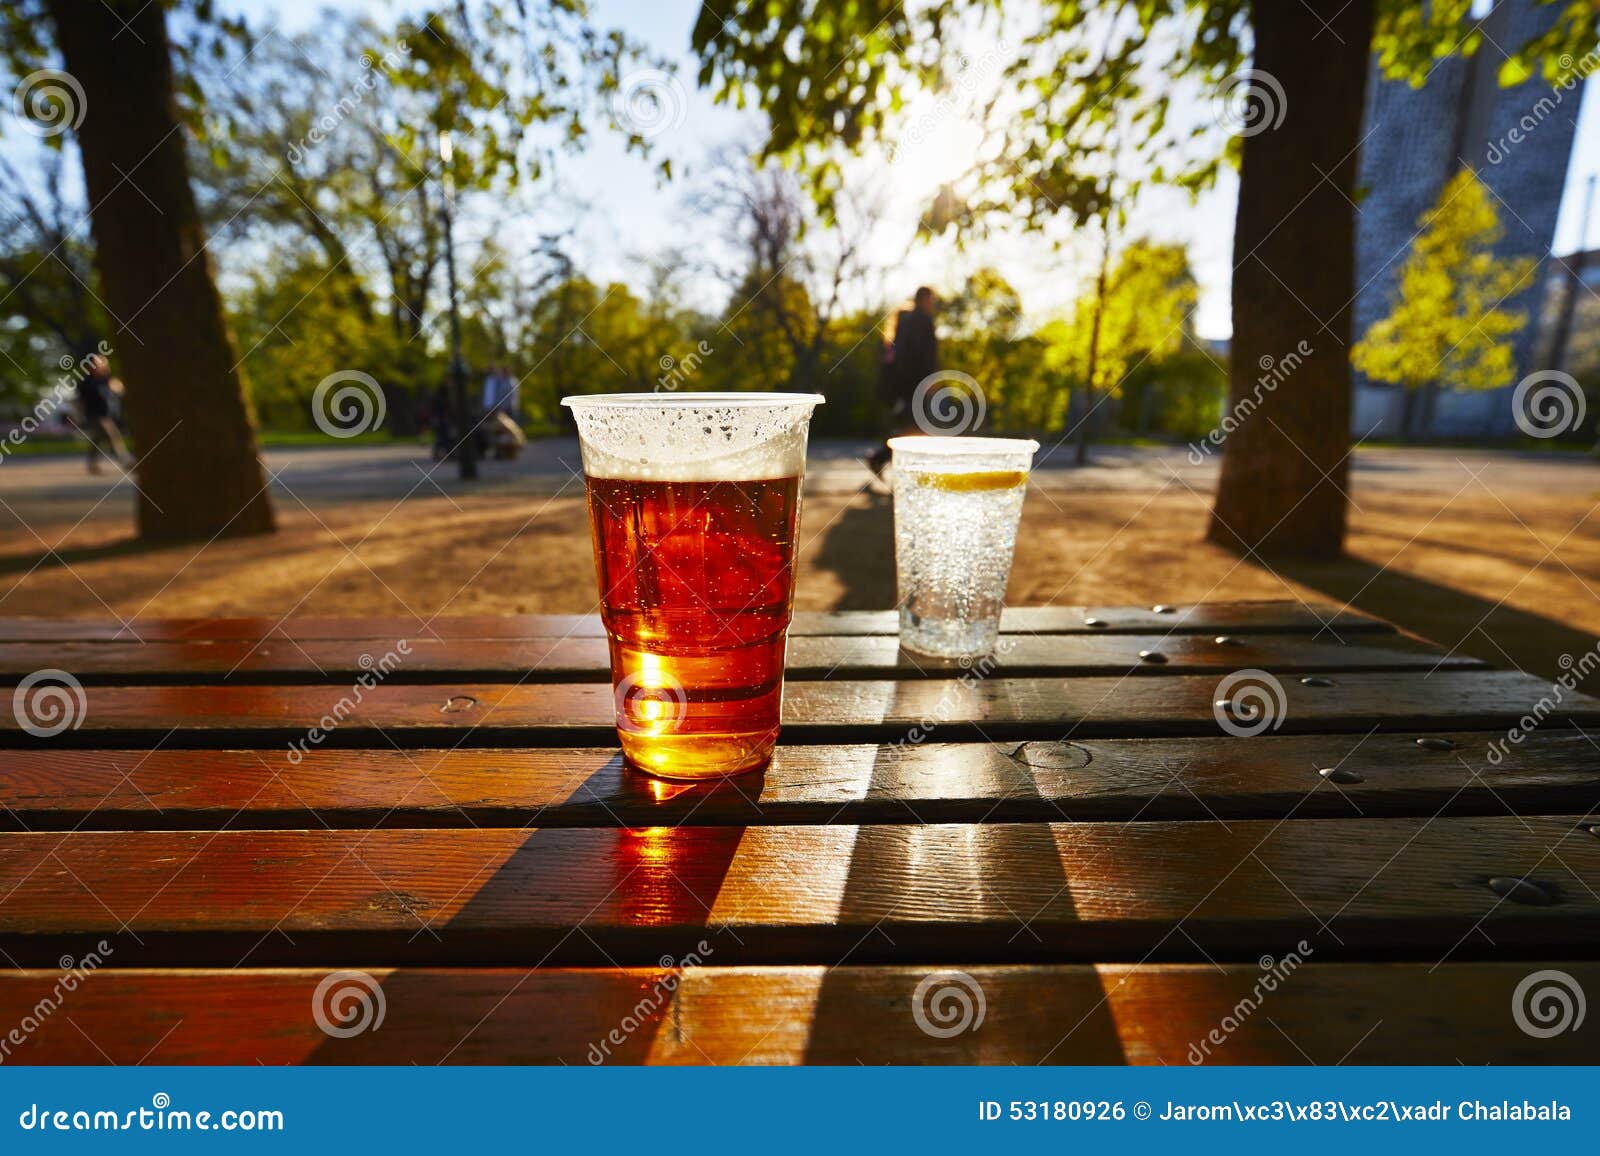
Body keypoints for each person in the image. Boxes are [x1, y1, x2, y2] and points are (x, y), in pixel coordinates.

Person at [867, 286, 940, 477]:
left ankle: (882, 459)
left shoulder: (907, 321)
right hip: (915, 386)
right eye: (932, 299)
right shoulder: (921, 320)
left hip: (907, 386)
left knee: (912, 428)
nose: (933, 303)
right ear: (924, 299)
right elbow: (923, 357)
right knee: (914, 429)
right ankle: (887, 462)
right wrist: (929, 380)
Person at [76, 352, 126, 474]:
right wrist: (80, 416)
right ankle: (125, 459)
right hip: (94, 415)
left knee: (97, 439)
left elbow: (119, 390)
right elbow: (80, 401)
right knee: (112, 433)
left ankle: (92, 464)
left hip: (108, 414)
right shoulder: (86, 382)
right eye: (96, 364)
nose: (99, 366)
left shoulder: (107, 379)